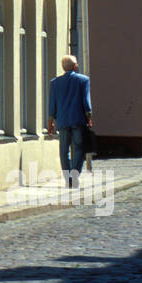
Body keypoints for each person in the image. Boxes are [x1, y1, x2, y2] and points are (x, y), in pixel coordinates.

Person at [46, 55, 93, 186]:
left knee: (63, 150)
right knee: (78, 149)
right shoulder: (83, 80)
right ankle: (75, 175)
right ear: (74, 66)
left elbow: (52, 105)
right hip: (78, 120)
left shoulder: (54, 83)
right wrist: (89, 118)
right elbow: (86, 102)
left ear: (63, 67)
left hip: (62, 121)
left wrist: (50, 124)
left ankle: (68, 179)